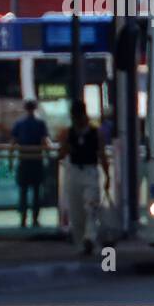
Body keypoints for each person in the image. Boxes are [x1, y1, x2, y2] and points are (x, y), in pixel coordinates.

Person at [58, 99, 111, 254]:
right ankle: (81, 241)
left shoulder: (96, 133)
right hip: (74, 171)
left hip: (89, 171)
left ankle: (90, 237)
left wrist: (107, 176)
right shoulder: (69, 133)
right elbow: (61, 153)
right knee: (76, 211)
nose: (77, 120)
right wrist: (66, 145)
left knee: (91, 206)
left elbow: (102, 155)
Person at [9, 100, 51, 228]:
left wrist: (10, 160)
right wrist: (48, 158)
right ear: (35, 108)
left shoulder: (19, 124)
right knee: (37, 191)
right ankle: (35, 219)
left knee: (23, 191)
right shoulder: (40, 124)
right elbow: (44, 142)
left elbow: (13, 143)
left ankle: (23, 219)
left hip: (23, 160)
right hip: (37, 160)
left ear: (25, 108)